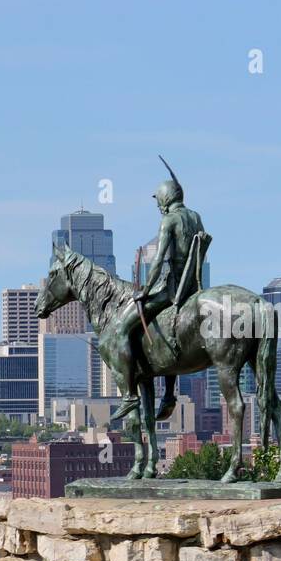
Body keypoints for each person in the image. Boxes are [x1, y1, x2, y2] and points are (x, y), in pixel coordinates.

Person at [110, 157, 210, 422]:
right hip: (194, 287)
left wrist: (144, 290)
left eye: (158, 200)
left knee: (122, 329)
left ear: (165, 198)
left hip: (171, 289)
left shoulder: (170, 221)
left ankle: (130, 394)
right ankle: (168, 394)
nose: (157, 205)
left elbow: (158, 261)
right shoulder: (196, 217)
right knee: (164, 329)